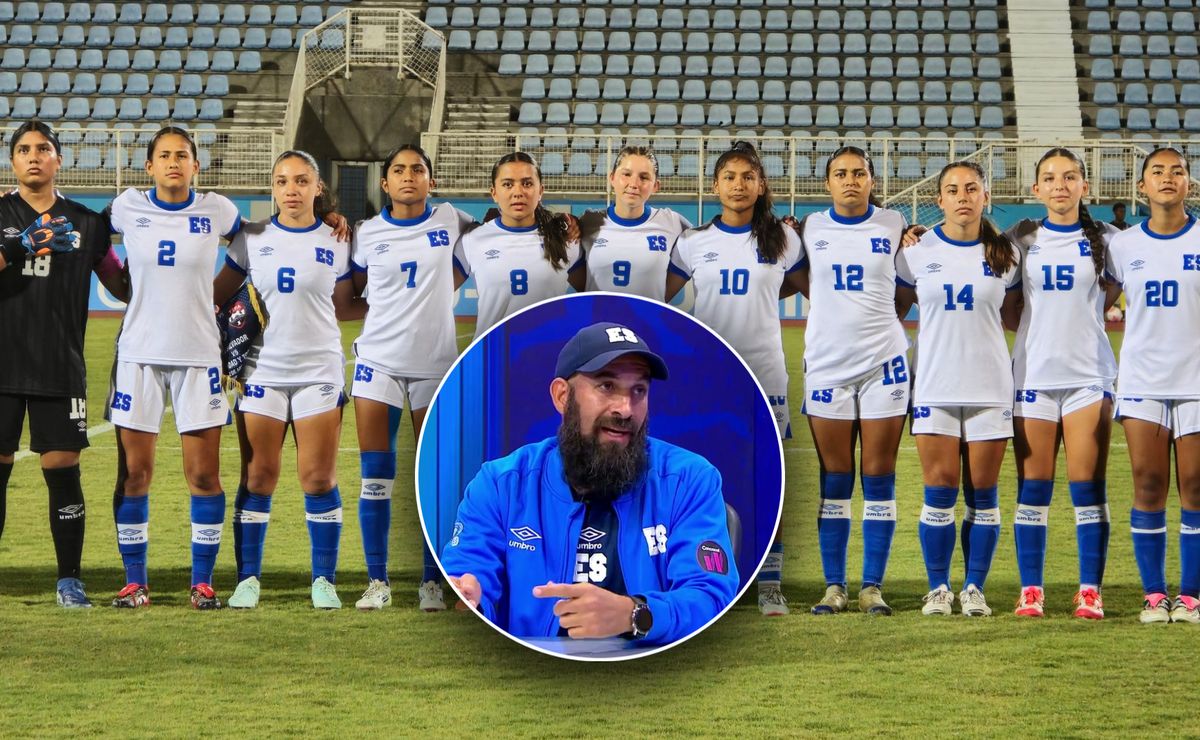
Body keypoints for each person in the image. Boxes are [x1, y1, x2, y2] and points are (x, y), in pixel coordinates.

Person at [441, 322, 738, 644]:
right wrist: (469, 591)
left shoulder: (688, 480)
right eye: (606, 386)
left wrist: (633, 614)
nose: (625, 409)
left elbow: (709, 595)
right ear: (562, 396)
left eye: (639, 390)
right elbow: (469, 571)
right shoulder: (502, 484)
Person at [213, 150, 360, 609]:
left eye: (301, 181)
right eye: (281, 182)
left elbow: (343, 305)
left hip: (318, 369)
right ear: (272, 189)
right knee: (258, 477)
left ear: (318, 188)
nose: (291, 190)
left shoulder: (339, 239)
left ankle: (324, 581)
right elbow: (216, 297)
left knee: (317, 478)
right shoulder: (251, 238)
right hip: (262, 371)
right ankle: (248, 579)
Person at [665, 141, 805, 616]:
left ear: (761, 184)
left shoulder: (784, 241)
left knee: (769, 479)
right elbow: (655, 303)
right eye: (730, 177)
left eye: (748, 177)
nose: (739, 185)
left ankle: (769, 584)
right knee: (701, 482)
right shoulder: (692, 243)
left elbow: (817, 288)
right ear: (715, 185)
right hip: (710, 379)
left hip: (764, 376)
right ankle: (707, 579)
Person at [106, 126, 242, 609]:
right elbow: (88, 235)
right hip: (138, 355)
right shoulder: (126, 206)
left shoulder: (218, 209)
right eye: (164, 155)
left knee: (203, 477)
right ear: (149, 166)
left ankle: (202, 583)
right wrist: (121, 286)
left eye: (182, 155)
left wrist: (220, 296)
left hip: (199, 355)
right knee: (135, 475)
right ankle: (134, 582)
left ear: (195, 166)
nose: (173, 163)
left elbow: (254, 245)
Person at [0, 120, 128, 608]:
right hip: (3, 364)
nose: (34, 156)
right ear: (13, 161)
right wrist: (19, 245)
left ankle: (69, 580)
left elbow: (120, 285)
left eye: (44, 149)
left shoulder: (86, 223)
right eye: (24, 149)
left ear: (59, 159)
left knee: (62, 469)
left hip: (59, 365)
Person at [348, 144, 473, 611]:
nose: (407, 176)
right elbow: (348, 298)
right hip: (377, 361)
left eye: (417, 169)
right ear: (384, 183)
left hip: (435, 364)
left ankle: (431, 582)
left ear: (431, 180)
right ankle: (377, 582)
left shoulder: (452, 220)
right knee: (375, 476)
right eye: (398, 170)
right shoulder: (364, 233)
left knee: (434, 478)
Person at [894, 161, 1021, 617]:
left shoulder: (1007, 253)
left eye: (972, 188)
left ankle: (974, 588)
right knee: (940, 489)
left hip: (989, 386)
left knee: (983, 492)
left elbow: (1017, 317)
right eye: (952, 189)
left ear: (985, 196)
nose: (963, 196)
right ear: (940, 201)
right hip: (933, 384)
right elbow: (890, 311)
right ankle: (938, 588)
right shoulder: (914, 251)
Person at [788, 146, 909, 616]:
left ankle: (872, 586)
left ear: (872, 180)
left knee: (879, 478)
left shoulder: (895, 225)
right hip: (827, 367)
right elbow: (794, 277)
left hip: (884, 366)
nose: (851, 180)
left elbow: (908, 286)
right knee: (834, 481)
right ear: (827, 184)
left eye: (859, 173)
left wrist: (881, 327)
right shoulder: (809, 229)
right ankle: (834, 586)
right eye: (841, 173)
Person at [1005, 148, 1121, 619]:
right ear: (1036, 189)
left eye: (1070, 177)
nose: (1060, 185)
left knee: (1087, 485)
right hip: (1033, 374)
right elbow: (1009, 306)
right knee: (1033, 486)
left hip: (1089, 376)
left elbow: (1112, 290)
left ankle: (1089, 590)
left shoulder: (1109, 239)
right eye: (1050, 178)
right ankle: (1031, 590)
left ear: (1084, 186)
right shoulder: (1021, 239)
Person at [1107, 147, 1200, 624]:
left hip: (1197, 380)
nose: (1168, 178)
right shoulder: (1122, 246)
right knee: (1147, 484)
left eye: (1177, 171)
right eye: (1157, 172)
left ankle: (1190, 596)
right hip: (1143, 377)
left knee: (1195, 486)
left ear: (1189, 182)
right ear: (1141, 186)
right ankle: (1152, 594)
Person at [459, 152, 584, 339]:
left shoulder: (565, 238)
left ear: (540, 190)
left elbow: (596, 292)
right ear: (494, 192)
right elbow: (437, 290)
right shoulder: (472, 239)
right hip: (495, 357)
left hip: (551, 357)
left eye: (527, 183)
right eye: (508, 184)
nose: (518, 192)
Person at [578, 146, 692, 301]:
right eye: (626, 174)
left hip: (647, 324)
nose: (634, 184)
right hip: (598, 323)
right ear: (612, 178)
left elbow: (704, 244)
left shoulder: (672, 222)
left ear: (656, 186)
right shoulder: (589, 222)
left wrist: (659, 299)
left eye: (644, 177)